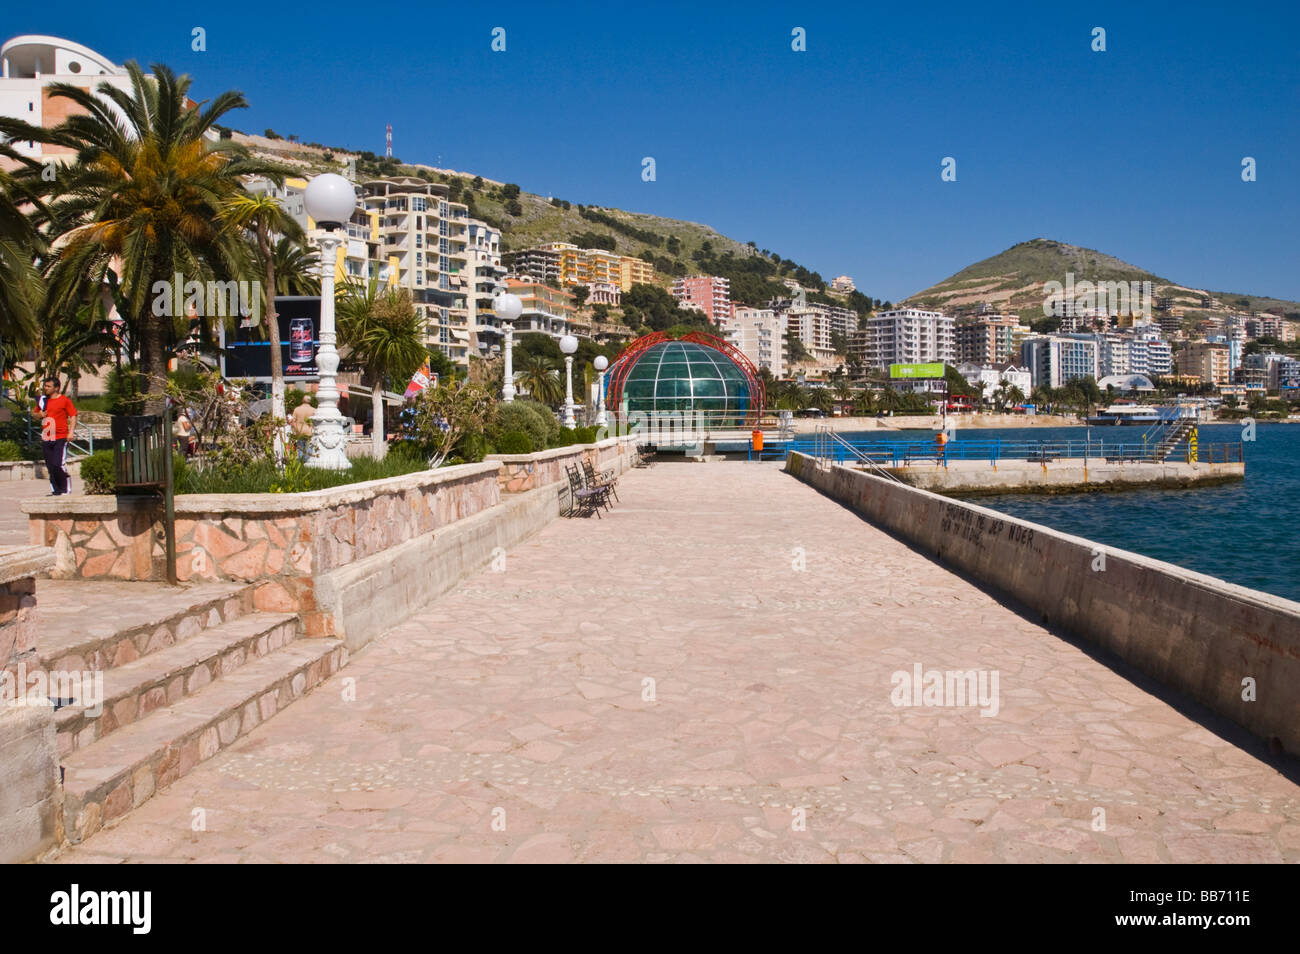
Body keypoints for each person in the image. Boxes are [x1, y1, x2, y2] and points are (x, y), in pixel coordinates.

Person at [32, 376, 76, 495]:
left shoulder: (64, 400)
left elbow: (73, 415)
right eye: (45, 386)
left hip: (61, 437)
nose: (45, 388)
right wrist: (39, 414)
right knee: (51, 466)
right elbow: (34, 414)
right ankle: (56, 490)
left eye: (48, 386)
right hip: (47, 437)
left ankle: (65, 489)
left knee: (58, 464)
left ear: (56, 388)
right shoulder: (43, 401)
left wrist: (71, 431)